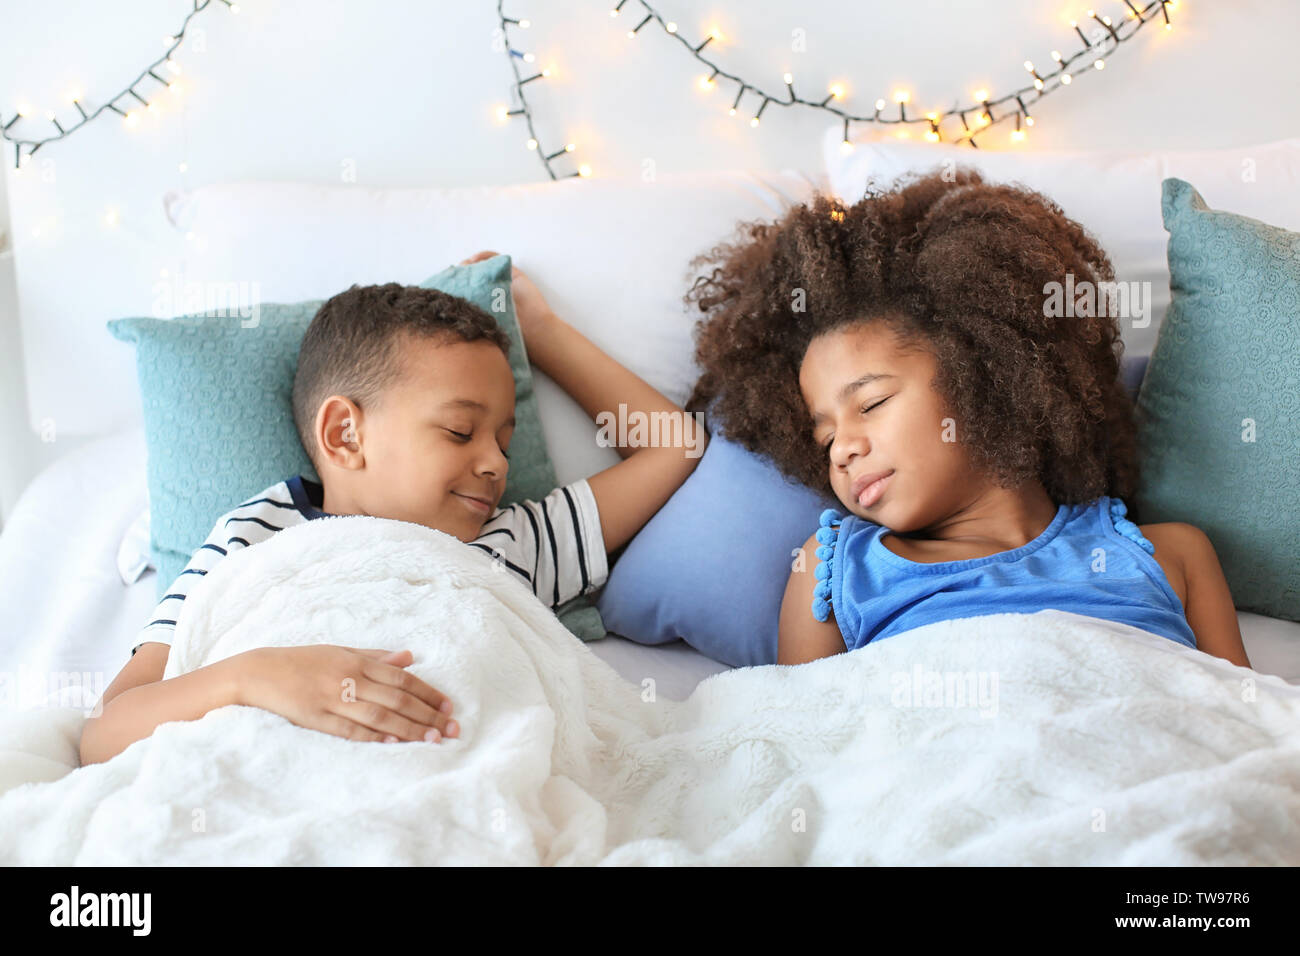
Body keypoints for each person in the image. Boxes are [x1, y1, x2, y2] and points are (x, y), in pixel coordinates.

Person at [80, 253, 707, 765]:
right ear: (345, 436)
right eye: (461, 432)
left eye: (506, 442)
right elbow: (107, 731)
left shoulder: (515, 541)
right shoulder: (255, 534)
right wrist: (252, 677)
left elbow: (676, 445)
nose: (497, 464)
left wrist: (539, 332)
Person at [682, 169, 1250, 669]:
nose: (841, 450)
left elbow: (1254, 732)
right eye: (825, 435)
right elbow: (800, 744)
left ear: (984, 370)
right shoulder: (834, 573)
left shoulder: (1169, 555)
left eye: (872, 404)